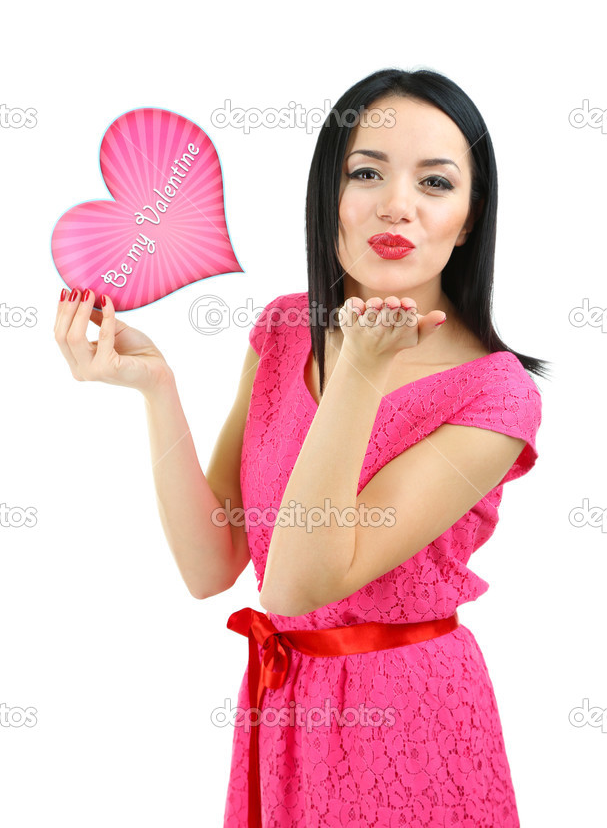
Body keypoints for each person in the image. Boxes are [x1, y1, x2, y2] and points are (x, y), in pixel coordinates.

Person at [54, 67, 549, 828]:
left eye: (436, 182)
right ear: (331, 196)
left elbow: (297, 584)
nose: (397, 205)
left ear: (470, 214)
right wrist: (156, 389)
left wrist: (357, 369)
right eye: (366, 172)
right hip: (282, 706)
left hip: (408, 714)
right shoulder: (287, 329)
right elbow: (211, 565)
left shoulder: (495, 394)